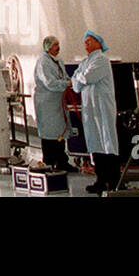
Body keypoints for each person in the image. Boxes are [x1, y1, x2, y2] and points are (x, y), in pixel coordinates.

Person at [71, 29, 120, 195]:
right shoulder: (85, 62)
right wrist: (78, 79)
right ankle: (100, 180)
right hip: (90, 110)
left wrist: (78, 78)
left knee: (107, 142)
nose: (86, 44)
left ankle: (113, 181)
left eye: (90, 40)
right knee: (95, 143)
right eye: (85, 41)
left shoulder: (101, 60)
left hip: (102, 107)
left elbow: (86, 78)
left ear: (99, 43)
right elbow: (76, 84)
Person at [33, 35, 75, 172]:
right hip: (47, 103)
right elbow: (50, 83)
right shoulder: (43, 62)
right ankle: (49, 163)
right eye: (55, 45)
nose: (58, 47)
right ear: (48, 47)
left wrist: (72, 81)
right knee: (49, 134)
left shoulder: (57, 61)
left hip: (57, 102)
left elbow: (63, 76)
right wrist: (67, 83)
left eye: (58, 44)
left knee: (59, 133)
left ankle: (62, 161)